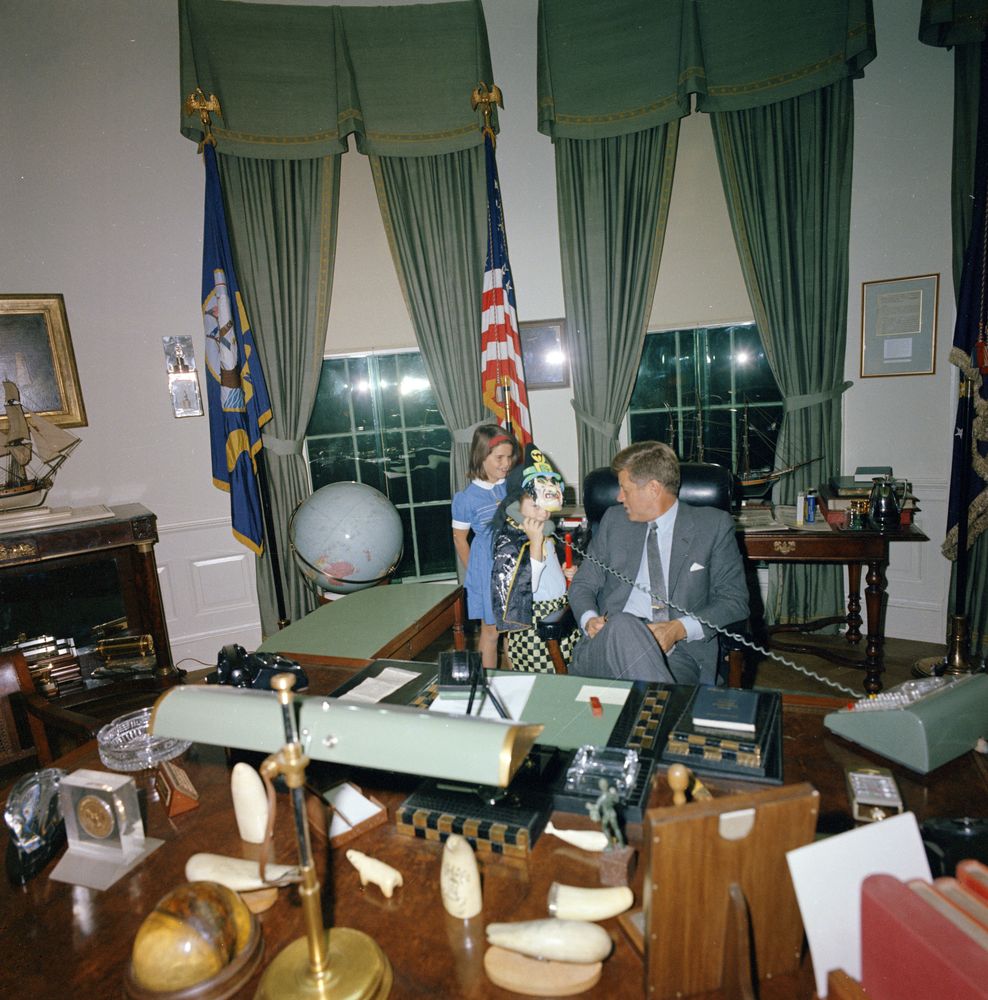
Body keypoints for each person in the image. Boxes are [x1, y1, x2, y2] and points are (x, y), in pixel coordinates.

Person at [567, 441, 748, 686]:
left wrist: (678, 629)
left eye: (625, 489)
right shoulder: (614, 521)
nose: (619, 497)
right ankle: (662, 704)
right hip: (606, 647)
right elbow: (583, 584)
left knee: (639, 685)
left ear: (653, 488)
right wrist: (589, 619)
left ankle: (653, 703)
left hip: (679, 654)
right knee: (623, 624)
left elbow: (734, 601)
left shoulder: (712, 526)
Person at [490, 445, 580, 672]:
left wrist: (563, 573)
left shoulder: (542, 531)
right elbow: (528, 587)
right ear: (515, 505)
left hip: (559, 613)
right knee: (545, 679)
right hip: (536, 627)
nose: (543, 513)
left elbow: (546, 573)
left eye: (547, 507)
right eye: (535, 506)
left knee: (568, 670)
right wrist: (536, 542)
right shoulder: (510, 543)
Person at [452, 425, 520, 668]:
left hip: (516, 564)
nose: (506, 463)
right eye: (499, 457)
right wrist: (478, 574)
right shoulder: (467, 498)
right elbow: (460, 539)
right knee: (491, 631)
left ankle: (518, 679)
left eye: (509, 457)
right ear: (481, 456)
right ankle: (488, 682)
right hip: (488, 568)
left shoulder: (510, 485)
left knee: (515, 629)